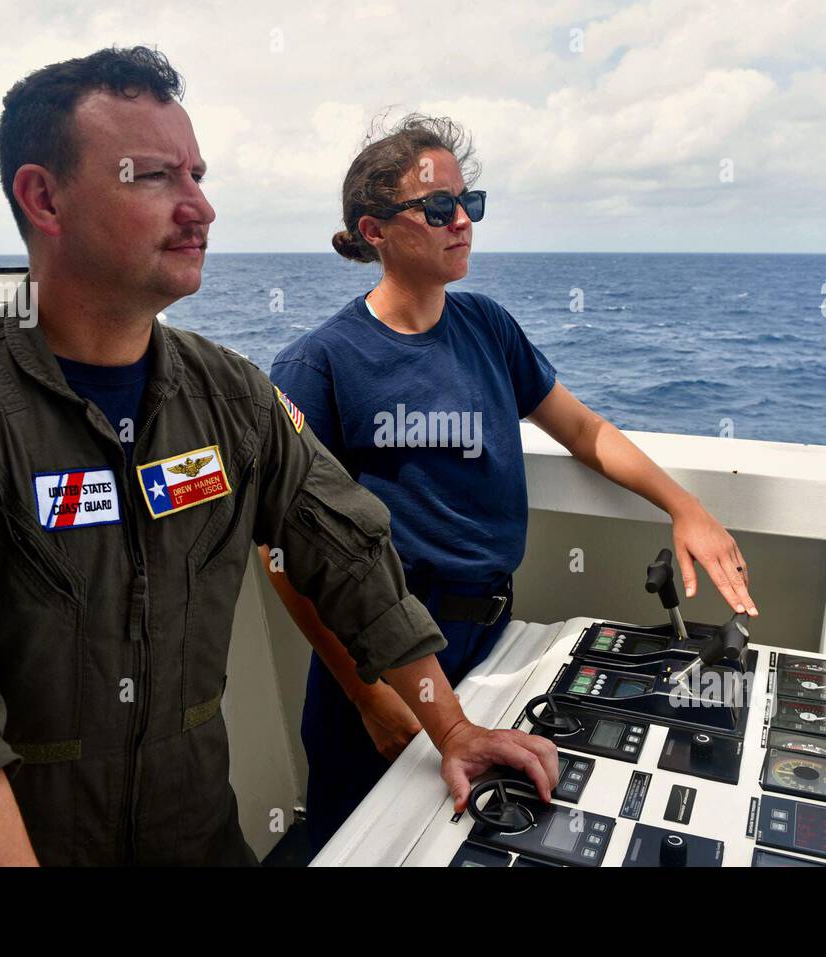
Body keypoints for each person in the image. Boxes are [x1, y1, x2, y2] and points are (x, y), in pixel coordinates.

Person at [0, 48, 556, 867]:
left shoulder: (230, 396)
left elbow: (348, 554)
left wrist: (452, 728)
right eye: (156, 176)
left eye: (197, 174)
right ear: (44, 197)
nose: (201, 207)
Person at [268, 114, 758, 850]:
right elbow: (285, 558)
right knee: (361, 844)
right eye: (438, 209)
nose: (462, 221)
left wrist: (684, 506)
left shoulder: (487, 327)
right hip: (384, 657)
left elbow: (584, 431)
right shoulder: (321, 364)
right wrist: (367, 695)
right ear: (374, 230)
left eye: (471, 203)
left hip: (492, 635)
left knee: (465, 840)